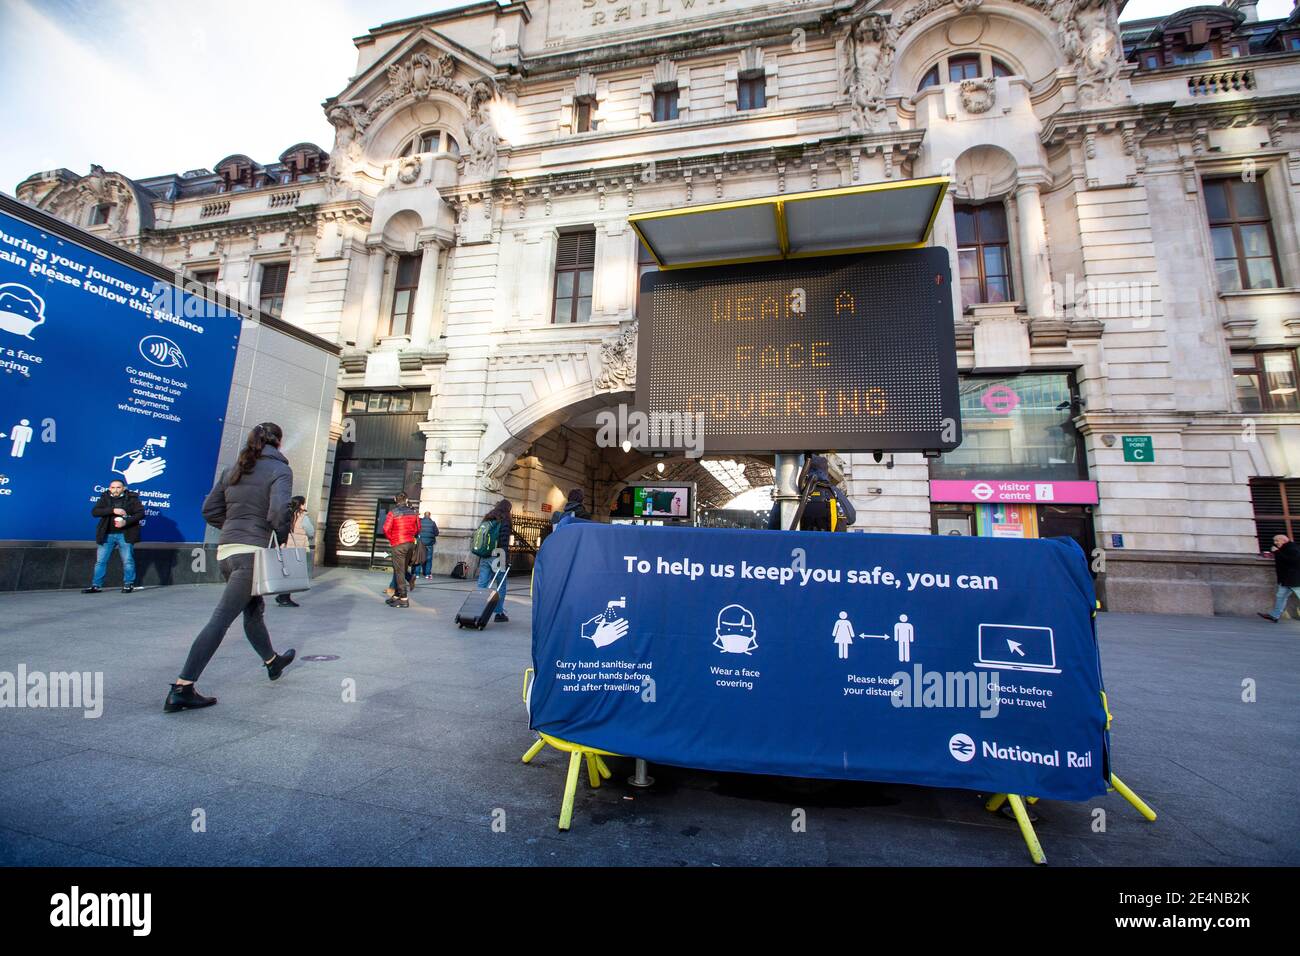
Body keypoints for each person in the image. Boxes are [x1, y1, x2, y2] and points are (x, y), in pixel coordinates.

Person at [165, 423, 296, 713]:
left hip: (226, 552)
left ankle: (273, 662)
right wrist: (276, 534)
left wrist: (234, 528)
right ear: (279, 442)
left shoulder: (234, 469)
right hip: (251, 554)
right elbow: (278, 513)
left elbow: (209, 510)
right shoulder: (280, 470)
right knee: (221, 620)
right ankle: (182, 687)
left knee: (252, 610)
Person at [84, 478, 146, 593]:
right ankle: (96, 585)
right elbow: (95, 512)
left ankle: (129, 584)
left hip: (125, 534)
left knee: (128, 560)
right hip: (107, 534)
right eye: (113, 487)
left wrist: (125, 522)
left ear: (123, 488)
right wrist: (113, 510)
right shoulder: (105, 497)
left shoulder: (132, 498)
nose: (115, 490)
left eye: (118, 487)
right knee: (101, 561)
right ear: (109, 488)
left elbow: (141, 513)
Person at [767, 455, 857, 532]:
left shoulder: (794, 491)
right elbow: (851, 518)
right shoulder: (833, 491)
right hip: (828, 544)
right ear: (825, 471)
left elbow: (773, 524)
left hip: (798, 544)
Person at [382, 492, 421, 609]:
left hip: (398, 543)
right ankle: (396, 596)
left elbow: (385, 529)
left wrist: (392, 539)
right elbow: (418, 528)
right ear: (407, 499)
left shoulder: (392, 513)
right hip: (409, 543)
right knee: (402, 570)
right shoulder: (414, 512)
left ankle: (403, 598)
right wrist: (411, 535)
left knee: (399, 571)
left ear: (395, 500)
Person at [477, 498, 513, 623]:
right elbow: (504, 541)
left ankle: (477, 609)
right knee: (500, 585)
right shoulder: (505, 520)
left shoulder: (489, 518)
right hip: (499, 555)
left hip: (485, 555)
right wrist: (506, 559)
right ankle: (498, 613)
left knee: (482, 584)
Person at [275, 496, 315, 608]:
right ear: (301, 504)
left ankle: (282, 596)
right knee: (292, 574)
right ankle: (284, 598)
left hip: (285, 547)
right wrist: (309, 537)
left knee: (286, 573)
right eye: (304, 503)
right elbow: (310, 531)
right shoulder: (303, 517)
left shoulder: (286, 515)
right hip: (296, 549)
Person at [1258, 533, 1300, 622]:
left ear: (1284, 540)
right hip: (1286, 579)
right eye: (1274, 541)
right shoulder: (1285, 548)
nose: (1275, 542)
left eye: (1277, 540)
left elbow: (1293, 561)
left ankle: (1275, 615)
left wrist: (1277, 552)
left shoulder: (1292, 548)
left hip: (1294, 579)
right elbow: (1283, 559)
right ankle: (1274, 615)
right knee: (1280, 596)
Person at [418, 511, 439, 579]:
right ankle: (427, 574)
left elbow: (416, 531)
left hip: (421, 543)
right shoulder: (433, 523)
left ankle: (416, 574)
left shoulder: (420, 522)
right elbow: (436, 533)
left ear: (424, 515)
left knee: (419, 558)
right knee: (429, 559)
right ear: (429, 516)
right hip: (429, 544)